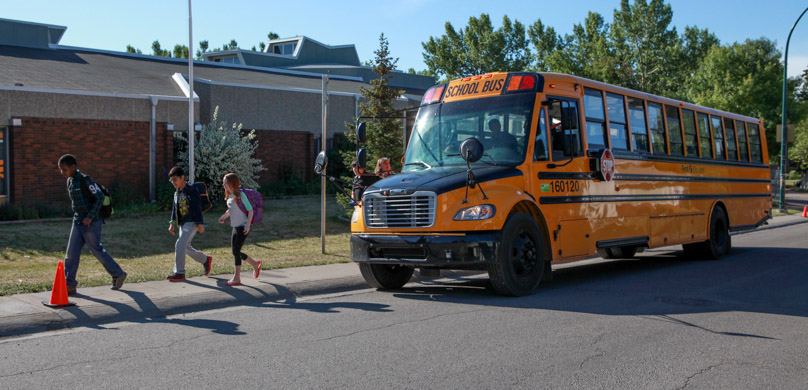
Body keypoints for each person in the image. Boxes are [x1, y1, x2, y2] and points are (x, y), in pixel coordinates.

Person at [57, 154, 126, 295]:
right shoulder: (70, 181)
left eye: (64, 169)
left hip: (92, 222)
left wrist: (90, 217)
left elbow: (99, 197)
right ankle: (69, 284)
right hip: (78, 221)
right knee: (71, 254)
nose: (62, 172)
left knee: (96, 250)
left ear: (73, 167)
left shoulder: (85, 180)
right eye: (60, 170)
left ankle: (118, 274)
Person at [166, 166, 212, 282]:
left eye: (175, 179)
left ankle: (180, 272)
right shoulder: (177, 192)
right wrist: (172, 223)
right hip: (182, 223)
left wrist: (200, 224)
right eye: (171, 180)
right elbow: (174, 208)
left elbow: (197, 207)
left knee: (180, 244)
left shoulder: (192, 190)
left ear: (182, 177)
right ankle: (205, 260)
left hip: (192, 222)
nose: (173, 182)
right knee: (185, 247)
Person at [217, 173, 262, 286]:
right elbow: (231, 210)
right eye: (223, 182)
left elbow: (250, 210)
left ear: (232, 183)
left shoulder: (241, 195)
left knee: (236, 251)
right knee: (235, 251)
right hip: (235, 226)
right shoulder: (230, 195)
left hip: (243, 226)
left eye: (225, 182)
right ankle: (255, 264)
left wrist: (248, 225)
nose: (223, 184)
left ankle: (237, 278)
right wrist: (223, 217)